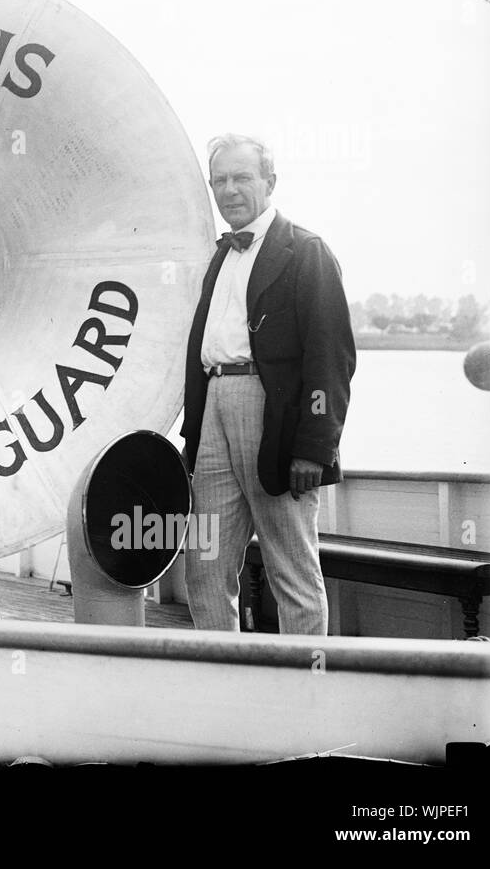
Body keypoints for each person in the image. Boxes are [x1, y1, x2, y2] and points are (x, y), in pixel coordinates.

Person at [181, 134, 355, 635]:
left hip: (272, 415)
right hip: (214, 409)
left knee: (291, 570)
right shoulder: (219, 258)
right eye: (220, 180)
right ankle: (224, 683)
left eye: (242, 178)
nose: (229, 190)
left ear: (270, 182)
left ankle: (304, 693)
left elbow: (332, 358)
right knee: (205, 564)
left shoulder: (307, 251)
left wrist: (315, 447)